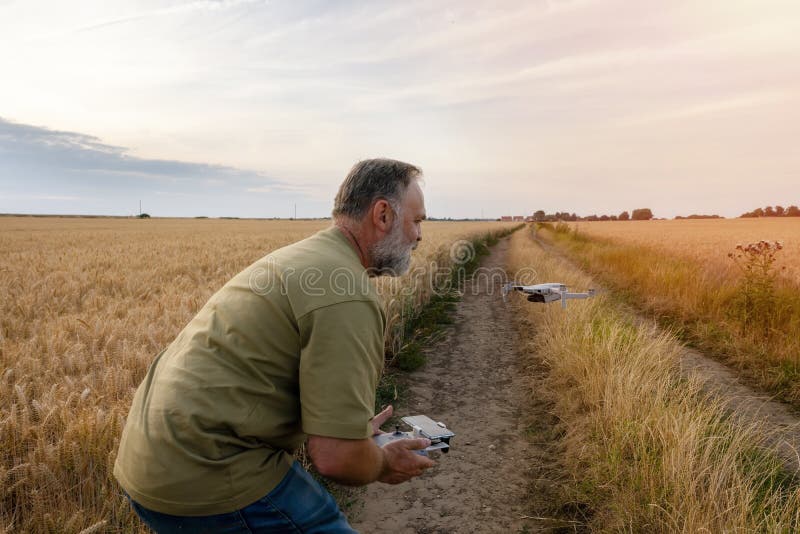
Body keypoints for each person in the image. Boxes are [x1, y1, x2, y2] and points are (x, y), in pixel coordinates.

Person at [114, 158, 435, 533]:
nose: (419, 236)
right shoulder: (347, 295)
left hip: (148, 461)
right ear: (382, 215)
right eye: (417, 221)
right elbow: (337, 458)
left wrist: (352, 427)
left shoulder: (306, 258)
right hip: (211, 470)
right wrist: (380, 461)